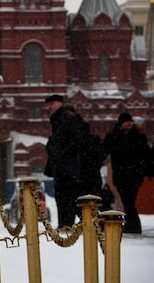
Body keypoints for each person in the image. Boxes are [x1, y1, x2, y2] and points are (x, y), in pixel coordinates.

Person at [44, 94, 93, 228]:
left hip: (68, 167)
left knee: (71, 197)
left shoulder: (67, 118)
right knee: (64, 198)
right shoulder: (58, 119)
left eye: (52, 103)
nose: (49, 106)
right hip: (62, 167)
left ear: (60, 103)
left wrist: (62, 155)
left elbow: (77, 140)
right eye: (48, 104)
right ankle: (68, 225)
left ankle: (85, 225)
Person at [103, 112, 150, 234]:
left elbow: (147, 155)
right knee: (127, 201)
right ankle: (132, 225)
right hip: (120, 175)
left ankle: (133, 226)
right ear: (121, 123)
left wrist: (145, 170)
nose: (130, 123)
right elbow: (103, 150)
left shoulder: (138, 136)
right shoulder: (113, 136)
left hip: (134, 175)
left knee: (129, 201)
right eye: (127, 121)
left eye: (130, 121)